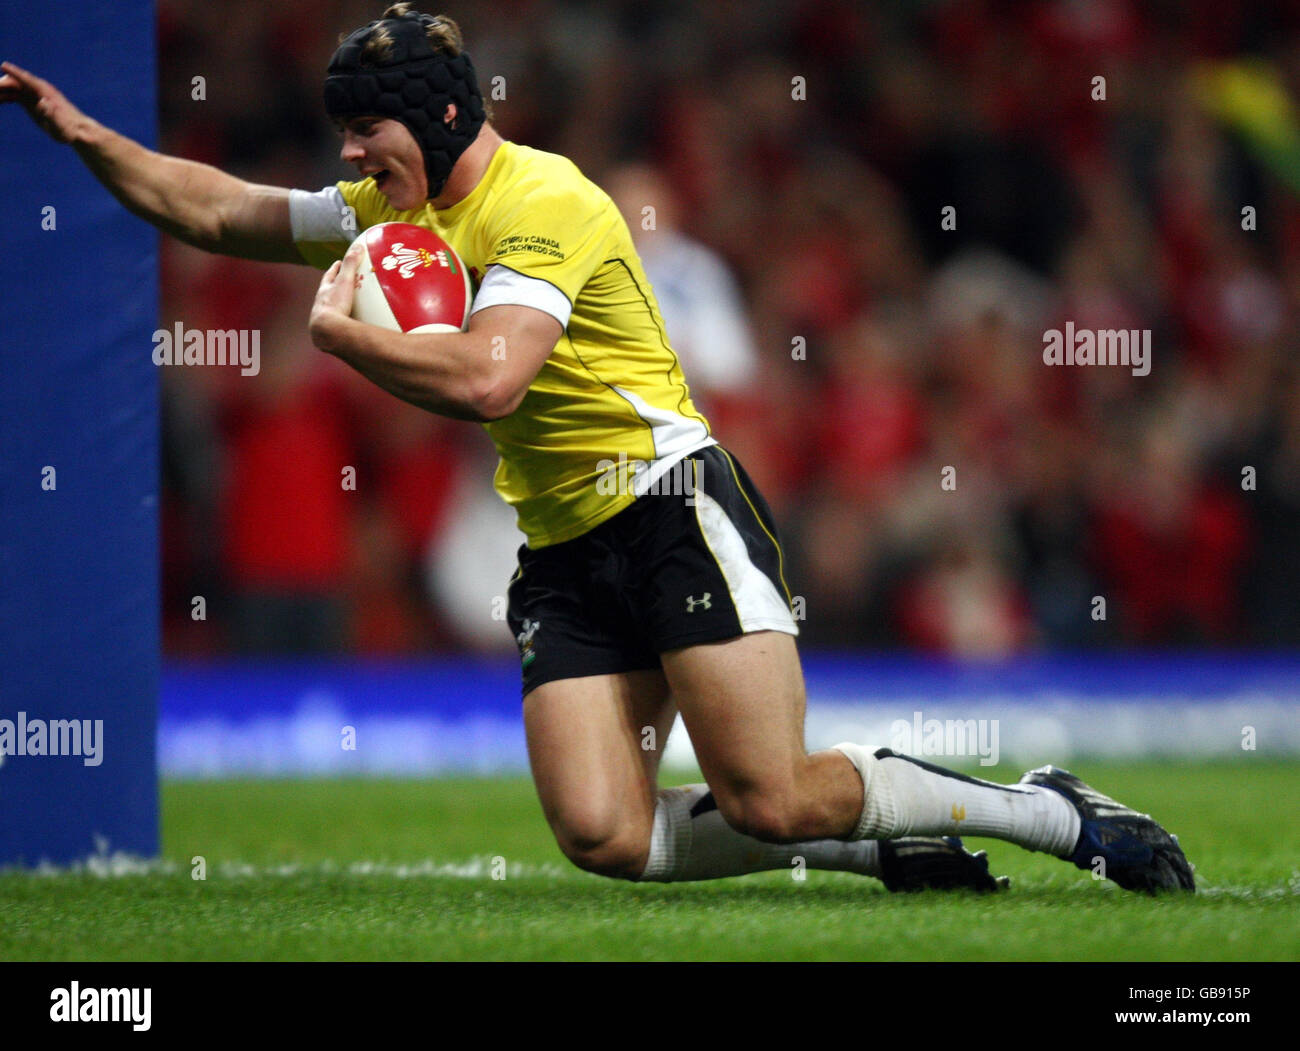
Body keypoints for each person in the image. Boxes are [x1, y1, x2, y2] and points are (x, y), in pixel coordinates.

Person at [1, 5, 1193, 894]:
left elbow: (487, 377)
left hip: (672, 507)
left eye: (367, 132)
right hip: (565, 545)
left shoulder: (546, 203)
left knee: (765, 793)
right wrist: (83, 136)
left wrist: (341, 337)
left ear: (440, 117)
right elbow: (218, 209)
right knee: (606, 837)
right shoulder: (391, 213)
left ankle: (1044, 812)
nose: (352, 158)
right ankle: (889, 843)